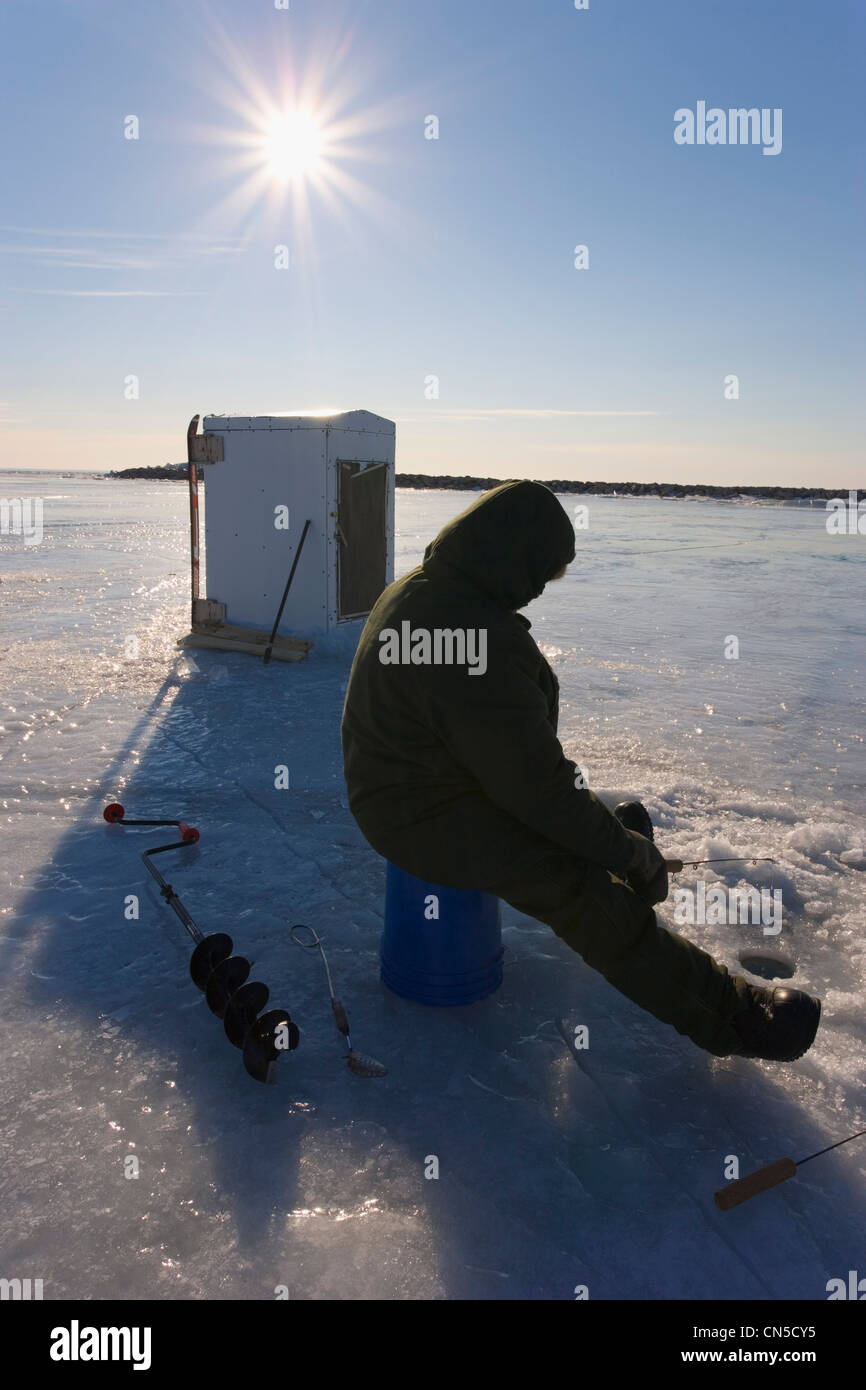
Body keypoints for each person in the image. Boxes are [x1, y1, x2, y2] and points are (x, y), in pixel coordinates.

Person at [340, 480, 821, 1061]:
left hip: (421, 777)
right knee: (576, 885)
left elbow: (517, 765)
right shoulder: (472, 641)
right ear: (515, 558)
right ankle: (735, 1016)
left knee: (581, 839)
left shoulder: (428, 590)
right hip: (419, 812)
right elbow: (542, 794)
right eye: (542, 574)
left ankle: (613, 852)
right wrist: (628, 855)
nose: (540, 591)